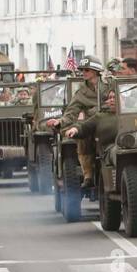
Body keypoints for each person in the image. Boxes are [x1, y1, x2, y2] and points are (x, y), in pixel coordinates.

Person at [49, 57, 105, 187]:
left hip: (109, 120)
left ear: (96, 71)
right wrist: (60, 122)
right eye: (81, 70)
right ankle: (88, 175)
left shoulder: (110, 84)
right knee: (81, 138)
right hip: (91, 123)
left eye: (87, 70)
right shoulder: (81, 93)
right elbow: (71, 113)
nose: (83, 72)